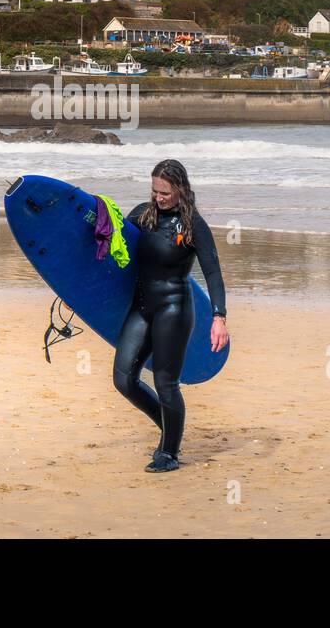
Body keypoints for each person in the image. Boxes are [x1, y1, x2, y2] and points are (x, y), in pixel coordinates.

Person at [113, 159, 228, 473]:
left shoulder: (192, 225)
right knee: (123, 379)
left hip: (174, 308)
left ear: (180, 190)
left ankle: (170, 453)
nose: (158, 197)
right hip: (142, 305)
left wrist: (219, 317)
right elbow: (115, 251)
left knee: (166, 383)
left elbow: (213, 273)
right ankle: (168, 426)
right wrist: (74, 293)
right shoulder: (142, 214)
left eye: (164, 192)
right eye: (154, 191)